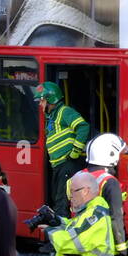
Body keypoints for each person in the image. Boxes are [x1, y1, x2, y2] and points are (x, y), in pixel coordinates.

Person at [35, 82, 89, 216]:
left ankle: (61, 234)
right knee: (58, 199)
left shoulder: (65, 112)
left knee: (62, 203)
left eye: (41, 101)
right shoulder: (52, 116)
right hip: (59, 165)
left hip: (67, 164)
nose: (40, 104)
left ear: (50, 100)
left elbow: (83, 127)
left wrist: (75, 152)